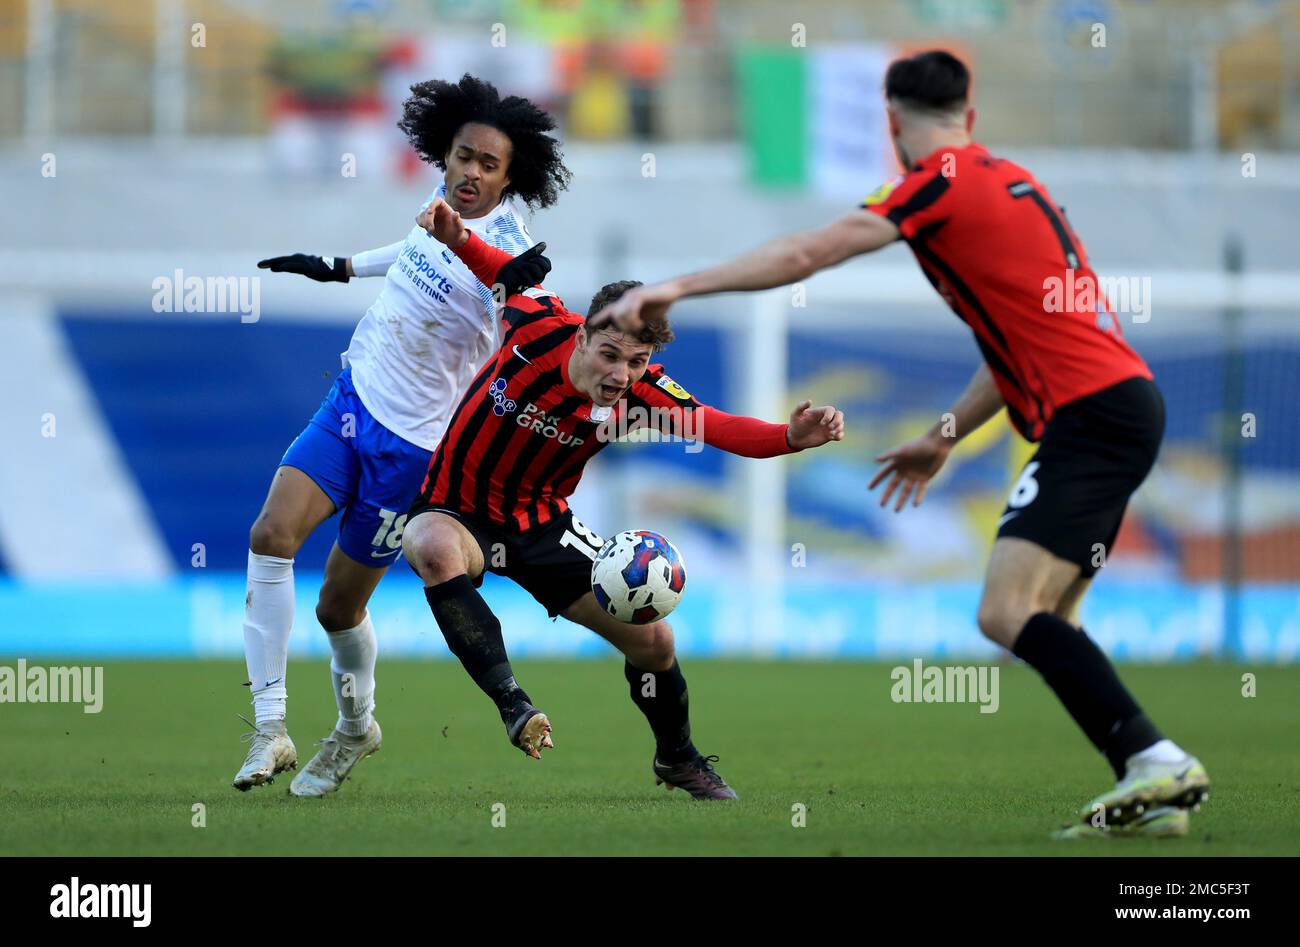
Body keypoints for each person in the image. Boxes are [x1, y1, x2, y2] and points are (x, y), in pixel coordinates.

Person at [592, 50, 1207, 835]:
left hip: (1089, 417)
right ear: (971, 116)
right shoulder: (1016, 183)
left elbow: (809, 251)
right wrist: (943, 435)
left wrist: (678, 286)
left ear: (890, 124)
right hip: (1126, 403)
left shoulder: (935, 184)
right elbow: (1014, 346)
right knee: (1054, 613)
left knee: (1003, 610)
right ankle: (1146, 789)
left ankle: (1157, 760)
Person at [396, 197, 845, 799]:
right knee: (427, 543)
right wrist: (456, 237)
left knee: (654, 640)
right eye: (610, 355)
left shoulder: (645, 394)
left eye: (636, 362)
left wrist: (791, 437)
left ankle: (678, 759)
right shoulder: (536, 324)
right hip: (458, 507)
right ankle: (514, 706)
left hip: (542, 524)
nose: (620, 374)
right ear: (583, 334)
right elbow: (501, 272)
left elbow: (719, 428)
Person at [233, 75, 565, 797]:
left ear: (511, 178)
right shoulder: (438, 212)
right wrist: (339, 267)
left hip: (410, 452)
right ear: (443, 156)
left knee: (336, 608)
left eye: (488, 165)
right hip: (350, 401)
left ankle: (357, 727)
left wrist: (524, 285)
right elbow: (419, 248)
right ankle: (270, 726)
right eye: (462, 156)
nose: (471, 172)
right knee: (270, 535)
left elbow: (523, 302)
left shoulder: (508, 249)